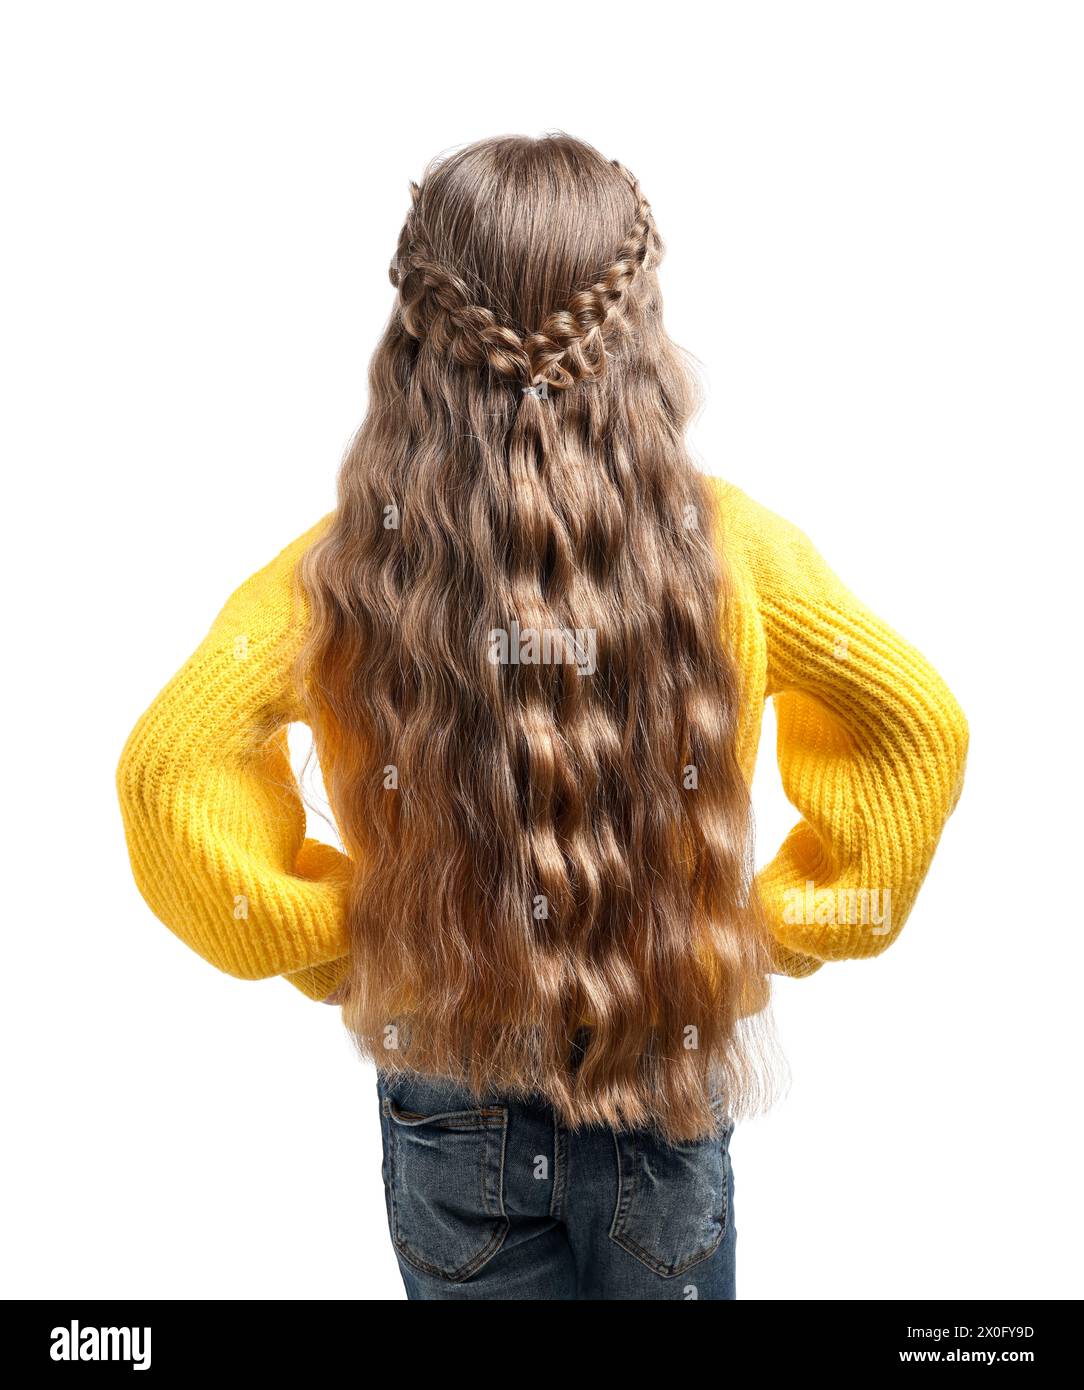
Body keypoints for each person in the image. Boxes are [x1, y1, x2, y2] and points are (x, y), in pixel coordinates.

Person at [116, 133, 968, 1300]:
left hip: (450, 1097)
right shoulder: (732, 553)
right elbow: (914, 722)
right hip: (660, 1079)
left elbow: (170, 768)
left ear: (414, 343)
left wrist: (354, 940)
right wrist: (772, 926)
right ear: (638, 336)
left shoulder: (346, 575)